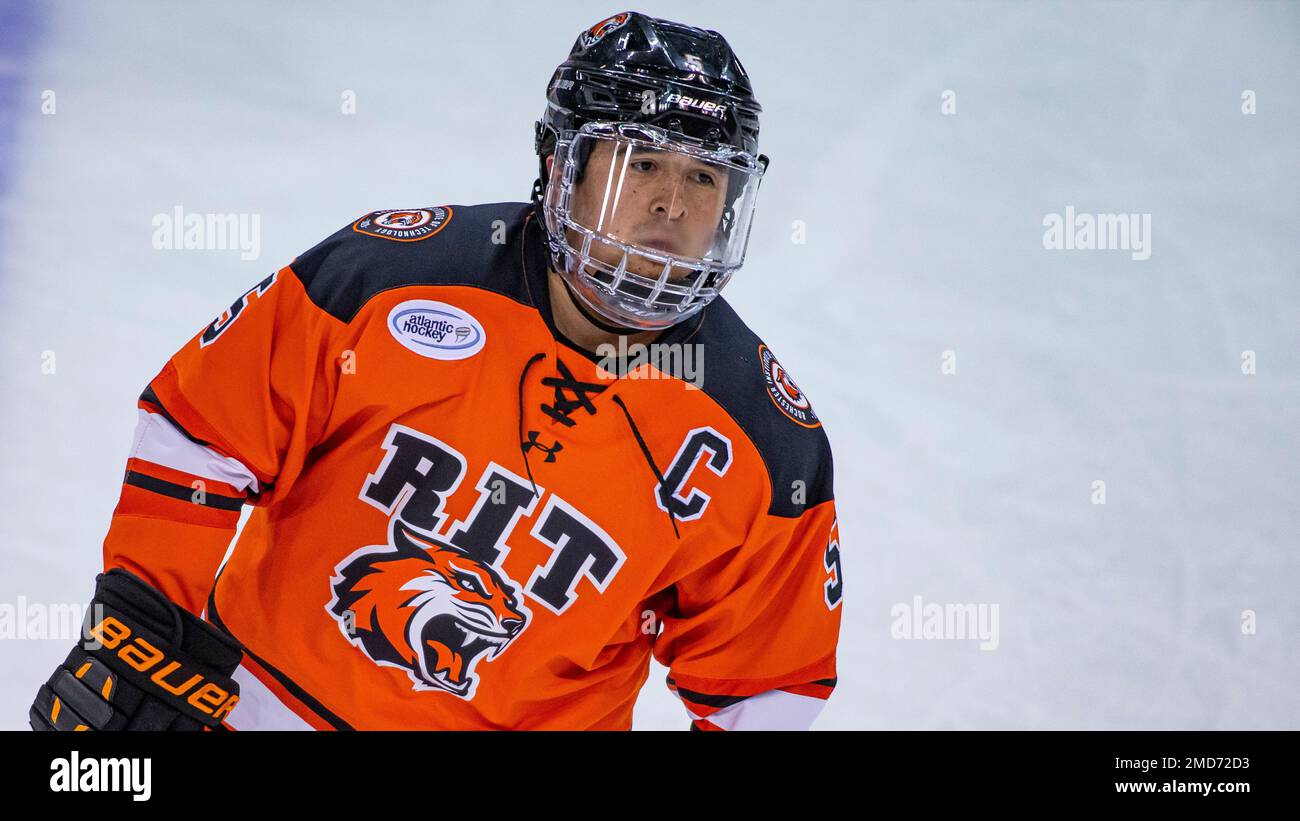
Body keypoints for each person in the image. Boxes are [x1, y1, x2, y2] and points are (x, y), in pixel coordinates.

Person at [30, 11, 843, 731]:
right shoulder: (385, 280)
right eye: (642, 165)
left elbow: (764, 684)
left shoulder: (766, 442)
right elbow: (205, 431)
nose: (674, 203)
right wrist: (140, 627)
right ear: (563, 167)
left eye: (704, 176)